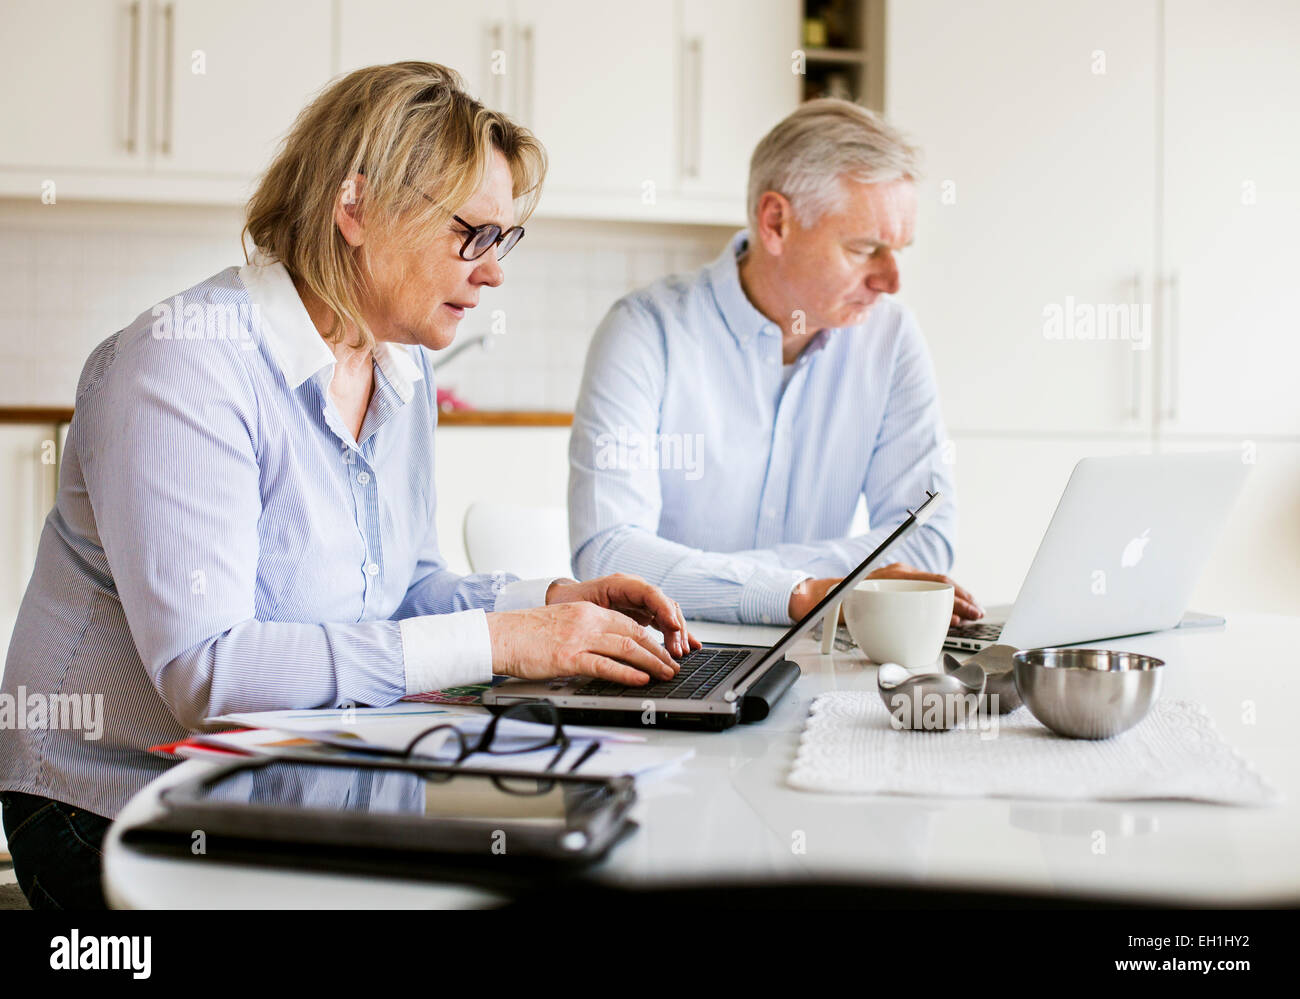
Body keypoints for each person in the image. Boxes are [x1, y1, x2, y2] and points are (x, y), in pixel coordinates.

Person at [0, 62, 696, 910]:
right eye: (472, 232)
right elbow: (207, 674)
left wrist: (551, 604)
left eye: (504, 239)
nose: (493, 271)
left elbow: (402, 586)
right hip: (111, 809)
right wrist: (507, 641)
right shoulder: (184, 365)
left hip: (280, 779)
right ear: (355, 207)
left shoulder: (393, 368)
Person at [569, 99, 984, 627]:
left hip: (825, 648)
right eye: (864, 249)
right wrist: (803, 591)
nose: (892, 281)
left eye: (899, 250)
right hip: (680, 655)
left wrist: (731, 581)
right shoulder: (645, 331)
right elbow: (609, 557)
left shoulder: (893, 338)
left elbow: (924, 539)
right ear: (776, 222)